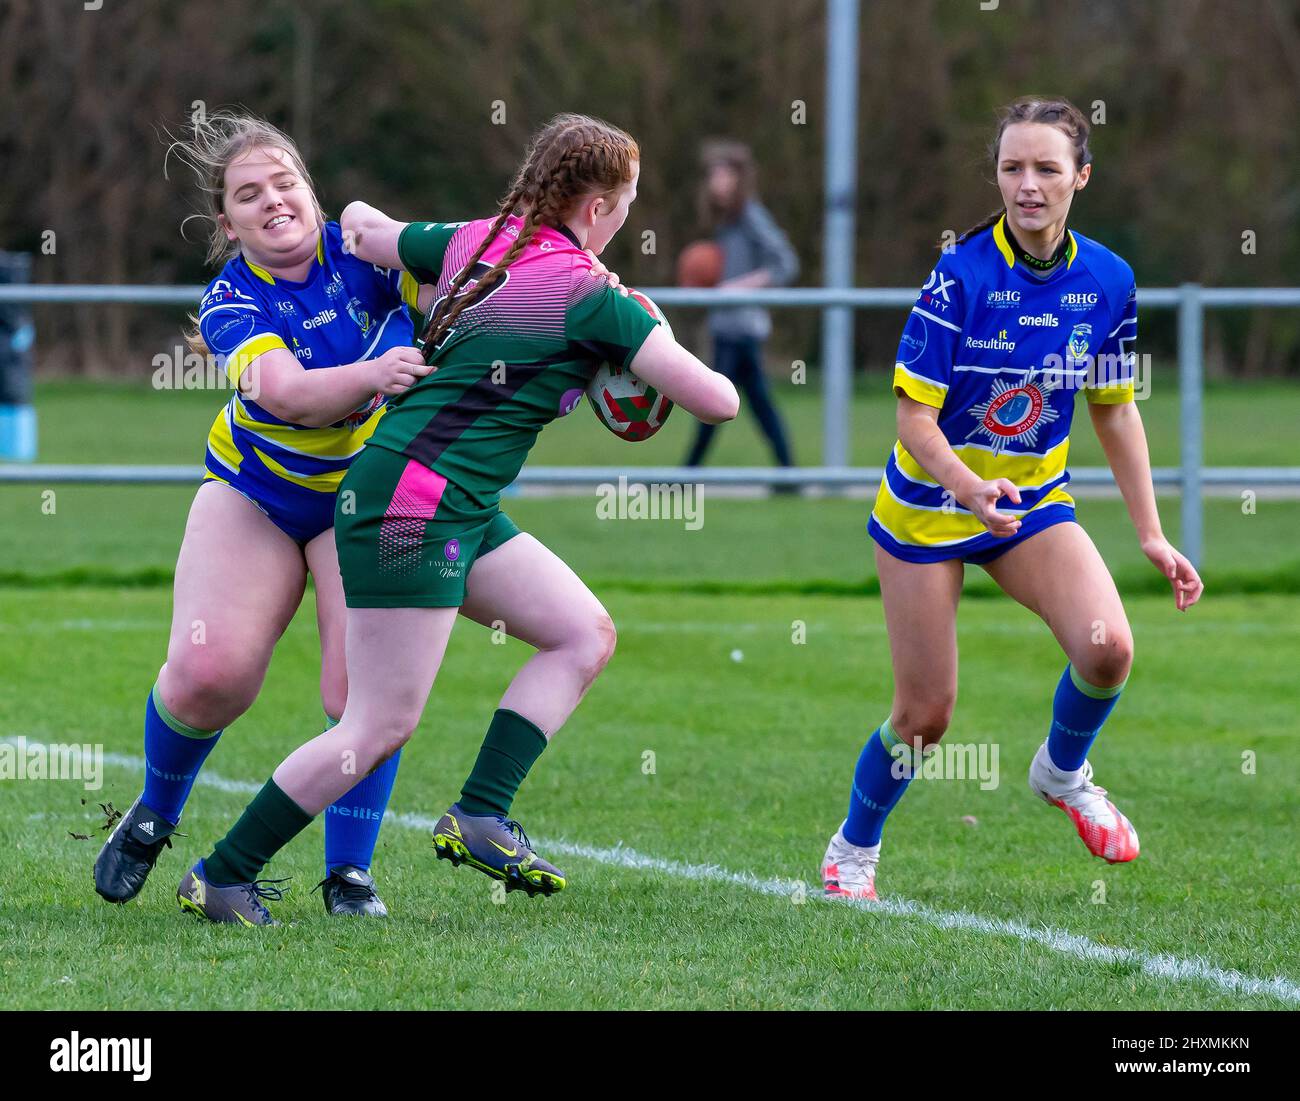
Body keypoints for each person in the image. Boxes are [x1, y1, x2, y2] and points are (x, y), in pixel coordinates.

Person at [175, 113, 740, 925]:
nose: (625, 222)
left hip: (447, 499)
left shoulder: (477, 236)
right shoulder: (596, 298)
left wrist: (400, 245)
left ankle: (480, 813)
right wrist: (648, 325)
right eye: (626, 207)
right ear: (596, 210)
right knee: (376, 723)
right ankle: (223, 874)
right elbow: (716, 400)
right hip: (414, 504)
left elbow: (366, 226)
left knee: (584, 632)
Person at [821, 97, 1204, 901]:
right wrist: (967, 486)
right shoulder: (958, 276)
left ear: (1081, 178)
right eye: (1011, 168)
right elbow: (913, 419)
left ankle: (1062, 772)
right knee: (926, 716)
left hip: (1030, 505)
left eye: (1046, 169)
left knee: (1108, 648)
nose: (1027, 185)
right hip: (929, 506)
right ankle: (853, 849)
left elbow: (1115, 406)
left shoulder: (1110, 280)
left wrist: (1152, 533)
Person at [95, 110, 434, 917]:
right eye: (249, 195)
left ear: (312, 192)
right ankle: (154, 812)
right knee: (213, 672)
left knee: (366, 692)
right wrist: (380, 367)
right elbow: (290, 397)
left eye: (286, 183)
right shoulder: (230, 299)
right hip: (257, 495)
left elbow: (458, 271)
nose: (272, 201)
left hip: (362, 495)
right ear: (228, 222)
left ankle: (349, 873)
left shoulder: (364, 252)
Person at [683, 140, 798, 469]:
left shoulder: (750, 214)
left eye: (724, 174)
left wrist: (739, 286)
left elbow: (785, 262)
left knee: (710, 403)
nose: (716, 181)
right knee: (758, 406)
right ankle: (789, 475)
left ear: (739, 178)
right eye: (712, 174)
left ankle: (683, 476)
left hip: (741, 328)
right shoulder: (727, 221)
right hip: (729, 327)